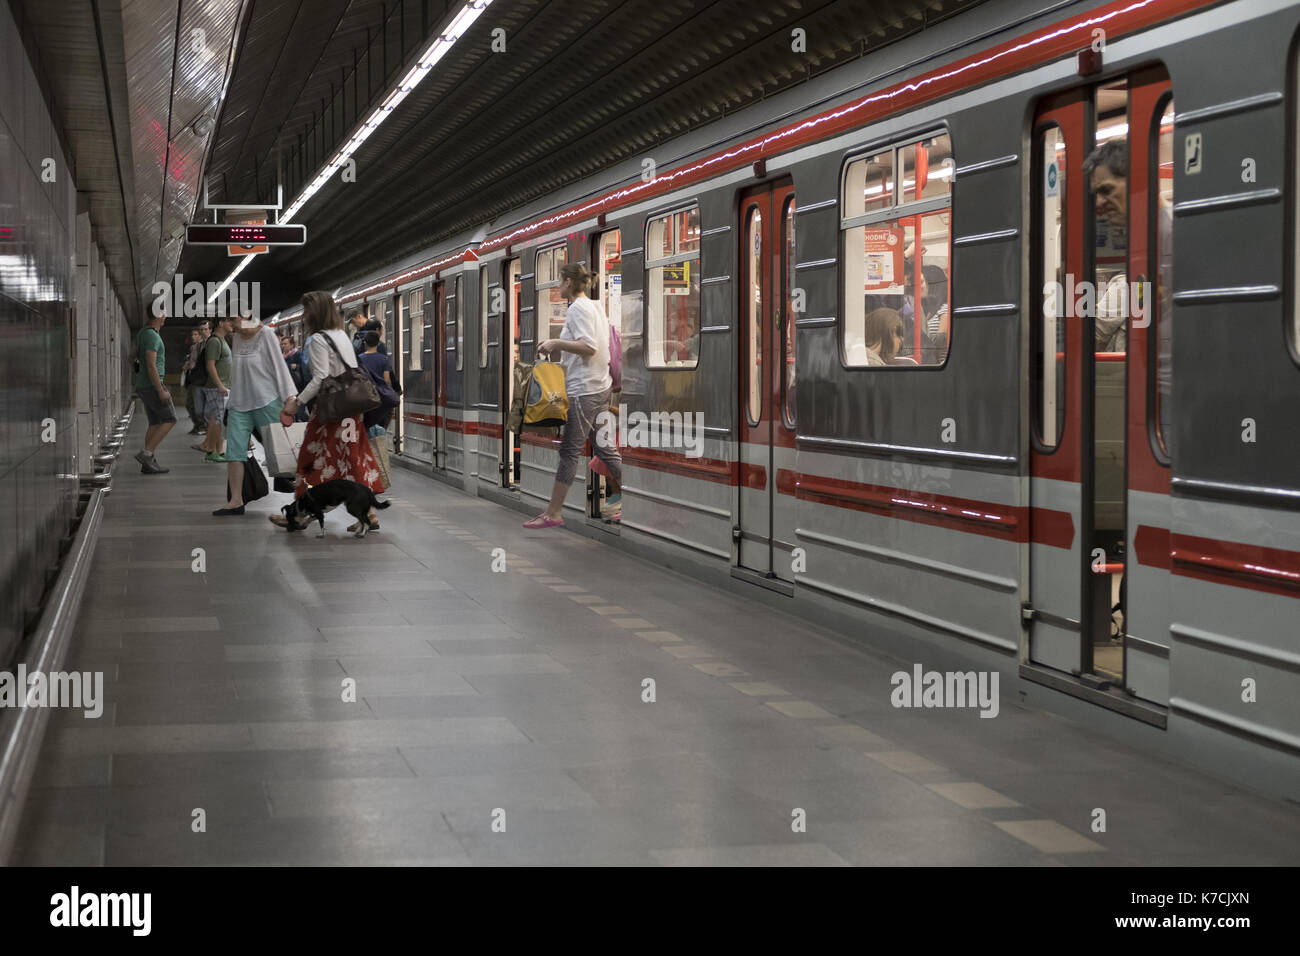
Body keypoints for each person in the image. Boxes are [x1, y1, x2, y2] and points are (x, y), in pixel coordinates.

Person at [268, 291, 385, 529]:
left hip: (330, 412)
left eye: (307, 310)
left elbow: (320, 378)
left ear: (316, 312)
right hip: (352, 409)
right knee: (355, 459)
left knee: (309, 461)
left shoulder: (319, 339)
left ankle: (299, 514)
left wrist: (296, 403)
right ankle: (370, 514)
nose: (304, 315)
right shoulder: (341, 334)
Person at [525, 263, 623, 529]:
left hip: (584, 389)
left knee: (569, 451)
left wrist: (554, 343)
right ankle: (638, 500)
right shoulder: (594, 306)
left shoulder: (578, 308)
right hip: (599, 386)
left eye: (559, 280)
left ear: (568, 282)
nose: (558, 285)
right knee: (605, 448)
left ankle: (554, 512)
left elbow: (589, 346)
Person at [212, 310, 298, 516]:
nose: (231, 325)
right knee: (234, 453)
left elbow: (279, 366)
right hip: (239, 404)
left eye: (233, 319)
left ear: (246, 316)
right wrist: (230, 401)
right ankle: (235, 501)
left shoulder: (266, 335)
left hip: (267, 400)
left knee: (283, 453)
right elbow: (238, 371)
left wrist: (290, 397)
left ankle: (305, 497)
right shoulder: (237, 338)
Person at [131, 308, 175, 474]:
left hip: (144, 384)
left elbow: (131, 356)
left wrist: (139, 371)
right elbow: (151, 365)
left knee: (155, 423)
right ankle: (146, 454)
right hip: (152, 385)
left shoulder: (143, 332)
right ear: (159, 315)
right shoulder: (152, 336)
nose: (166, 315)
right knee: (171, 418)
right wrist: (161, 390)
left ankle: (147, 464)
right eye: (164, 312)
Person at [358, 330, 397, 513]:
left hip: (364, 404)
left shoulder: (359, 358)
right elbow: (387, 382)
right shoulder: (383, 359)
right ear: (378, 342)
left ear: (364, 343)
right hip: (380, 404)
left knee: (365, 441)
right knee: (377, 436)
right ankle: (377, 475)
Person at [194, 316, 233, 461]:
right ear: (221, 323)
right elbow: (210, 365)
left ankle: (213, 451)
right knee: (217, 420)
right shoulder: (215, 341)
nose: (232, 324)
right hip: (217, 388)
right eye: (229, 321)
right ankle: (217, 452)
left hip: (222, 387)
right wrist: (220, 385)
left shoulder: (222, 341)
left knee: (215, 420)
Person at [181, 328, 203, 432]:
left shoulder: (202, 347)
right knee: (189, 404)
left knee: (195, 405)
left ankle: (201, 425)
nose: (193, 337)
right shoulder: (193, 348)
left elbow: (196, 363)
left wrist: (189, 365)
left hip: (198, 379)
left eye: (196, 334)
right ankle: (198, 425)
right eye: (192, 334)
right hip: (191, 379)